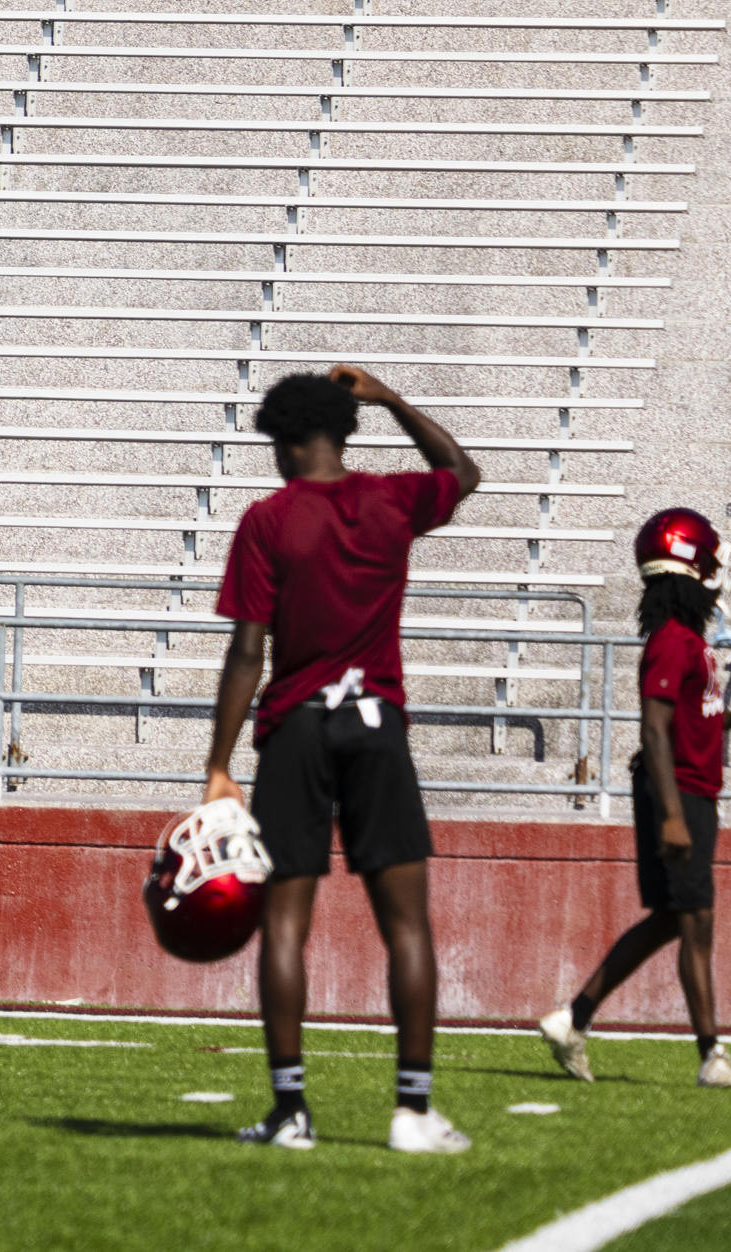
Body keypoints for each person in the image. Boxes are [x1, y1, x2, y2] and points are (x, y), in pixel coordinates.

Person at [201, 364, 481, 1156]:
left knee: (285, 925)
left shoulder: (267, 520)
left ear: (286, 442)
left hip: (295, 728)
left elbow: (248, 650)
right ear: (343, 431)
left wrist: (219, 763)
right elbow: (463, 472)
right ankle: (412, 1111)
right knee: (407, 925)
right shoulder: (390, 501)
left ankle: (291, 1111)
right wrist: (390, 400)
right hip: (376, 725)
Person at [542, 508, 731, 1087]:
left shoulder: (688, 641)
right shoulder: (671, 642)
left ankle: (574, 1018)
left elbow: (690, 712)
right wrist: (671, 815)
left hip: (692, 790)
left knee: (672, 919)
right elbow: (654, 729)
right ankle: (712, 1054)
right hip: (678, 792)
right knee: (696, 921)